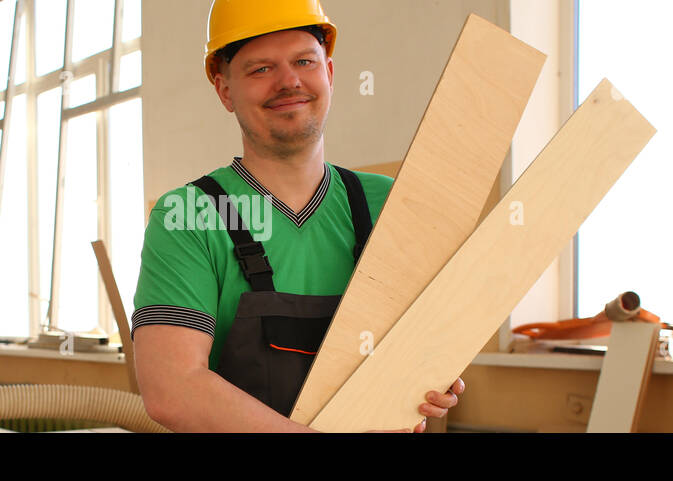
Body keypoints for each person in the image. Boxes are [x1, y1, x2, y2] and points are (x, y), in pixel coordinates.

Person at [130, 0, 465, 432]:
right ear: (225, 90)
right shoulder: (188, 216)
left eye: (304, 61)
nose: (289, 82)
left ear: (329, 72)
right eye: (260, 69)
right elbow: (172, 389)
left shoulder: (391, 203)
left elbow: (428, 337)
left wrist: (434, 374)